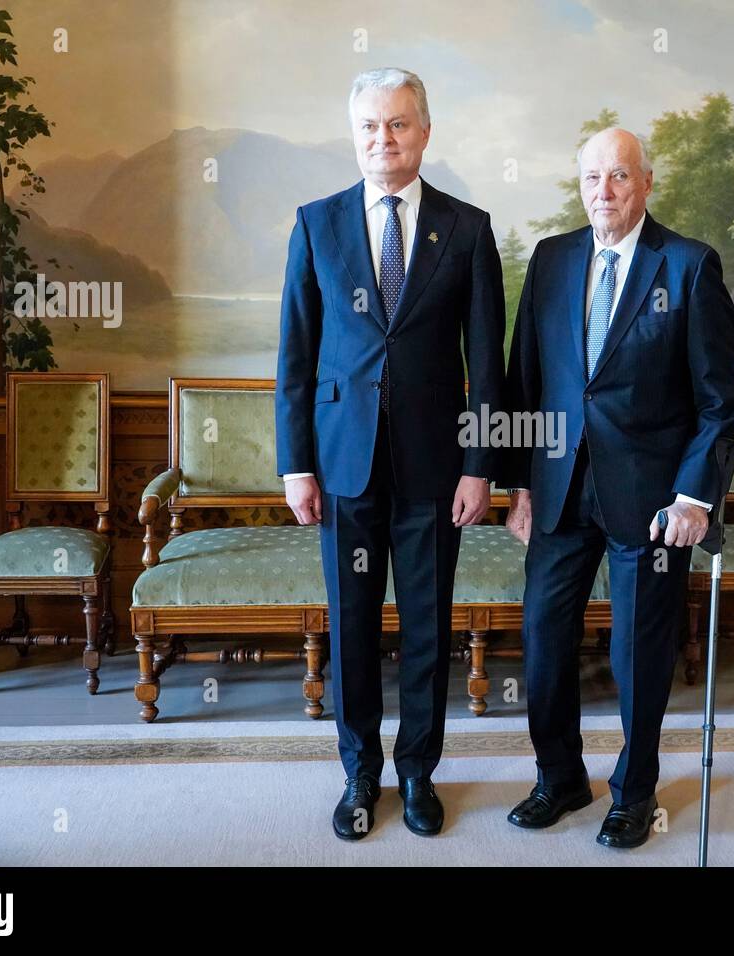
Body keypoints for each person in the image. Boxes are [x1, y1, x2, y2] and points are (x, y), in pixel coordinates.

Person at [275, 67, 504, 840]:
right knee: (352, 625)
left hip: (437, 472)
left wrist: (481, 466)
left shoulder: (469, 229)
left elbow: (488, 365)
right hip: (343, 465)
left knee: (427, 627)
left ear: (425, 131)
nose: (385, 139)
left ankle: (418, 774)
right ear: (355, 136)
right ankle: (358, 775)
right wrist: (295, 464)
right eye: (371, 127)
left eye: (399, 124)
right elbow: (295, 356)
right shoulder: (316, 223)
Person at [502, 127, 734, 849]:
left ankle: (634, 792)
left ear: (645, 182)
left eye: (618, 178)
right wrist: (521, 485)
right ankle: (560, 778)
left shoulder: (690, 267)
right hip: (558, 487)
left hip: (653, 502)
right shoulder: (551, 259)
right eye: (590, 179)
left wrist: (696, 498)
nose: (602, 193)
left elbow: (717, 402)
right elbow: (526, 382)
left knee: (639, 648)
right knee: (543, 637)